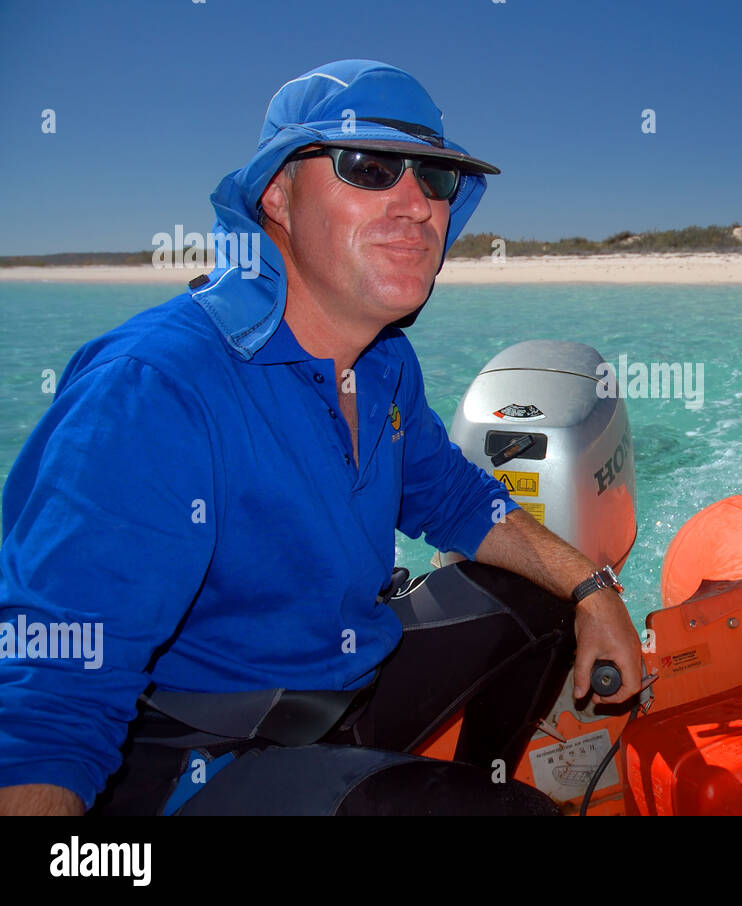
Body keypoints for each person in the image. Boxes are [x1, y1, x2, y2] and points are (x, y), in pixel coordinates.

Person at [0, 59, 643, 815]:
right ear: (276, 194)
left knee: (537, 603)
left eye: (433, 179)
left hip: (348, 689)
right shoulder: (153, 388)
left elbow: (455, 496)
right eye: (368, 167)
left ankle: (458, 784)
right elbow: (53, 699)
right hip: (199, 759)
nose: (415, 205)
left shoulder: (383, 364)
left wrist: (592, 589)